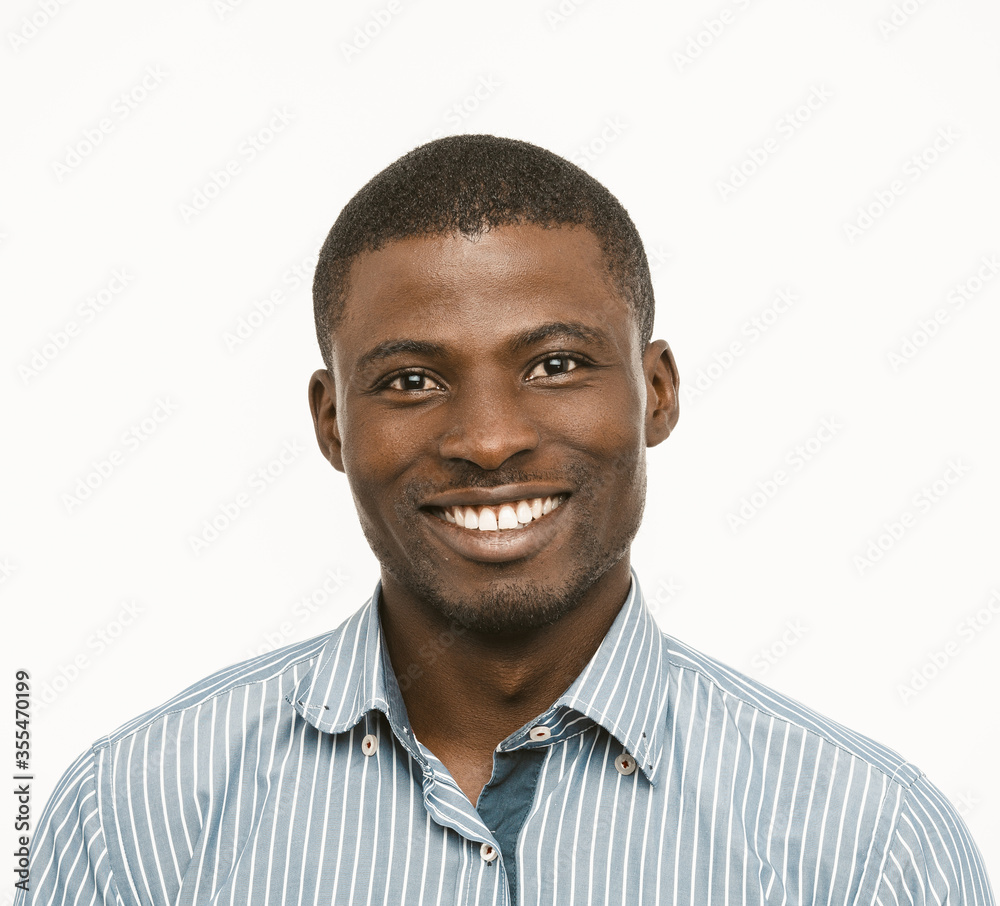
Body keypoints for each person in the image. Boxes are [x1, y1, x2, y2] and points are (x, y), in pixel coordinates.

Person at [19, 135, 993, 906]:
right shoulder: (135, 814)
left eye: (556, 364)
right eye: (410, 380)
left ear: (655, 392)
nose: (487, 441)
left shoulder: (870, 844)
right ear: (332, 423)